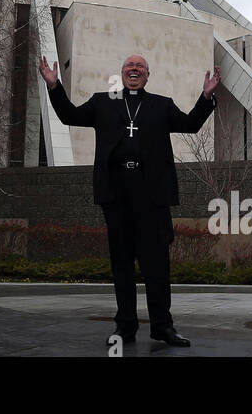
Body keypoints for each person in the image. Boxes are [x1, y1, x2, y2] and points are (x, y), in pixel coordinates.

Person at [40, 53, 219, 348]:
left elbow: (190, 125)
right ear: (122, 73)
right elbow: (69, 116)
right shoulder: (102, 102)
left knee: (156, 264)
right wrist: (54, 86)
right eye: (128, 67)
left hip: (152, 194)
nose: (134, 70)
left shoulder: (161, 105)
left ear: (147, 75)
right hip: (117, 192)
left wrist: (206, 96)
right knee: (121, 262)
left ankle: (163, 327)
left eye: (139, 67)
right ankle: (125, 327)